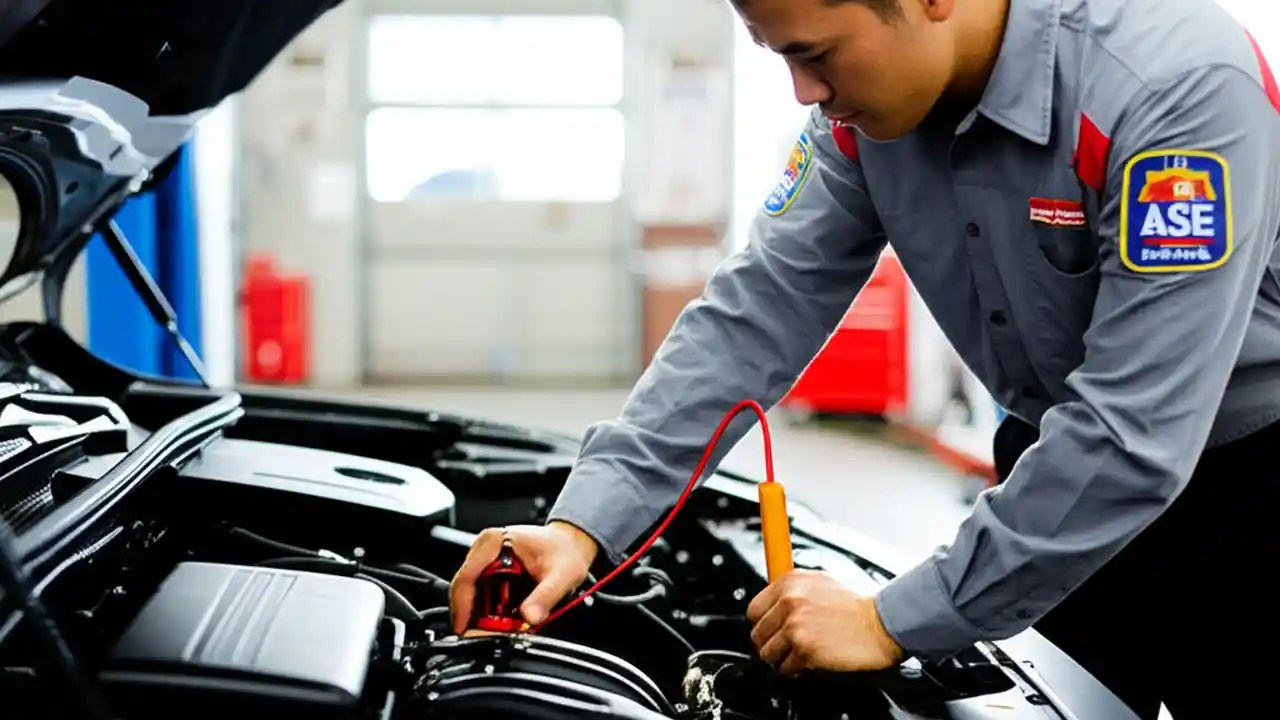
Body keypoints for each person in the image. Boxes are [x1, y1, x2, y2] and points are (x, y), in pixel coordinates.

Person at [450, 0, 1280, 716]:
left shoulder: (1172, 88)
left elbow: (1135, 430)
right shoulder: (862, 124)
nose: (805, 93)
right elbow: (758, 308)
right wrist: (581, 525)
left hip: (1248, 503)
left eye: (814, 55)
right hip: (1052, 484)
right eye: (779, 57)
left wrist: (891, 618)